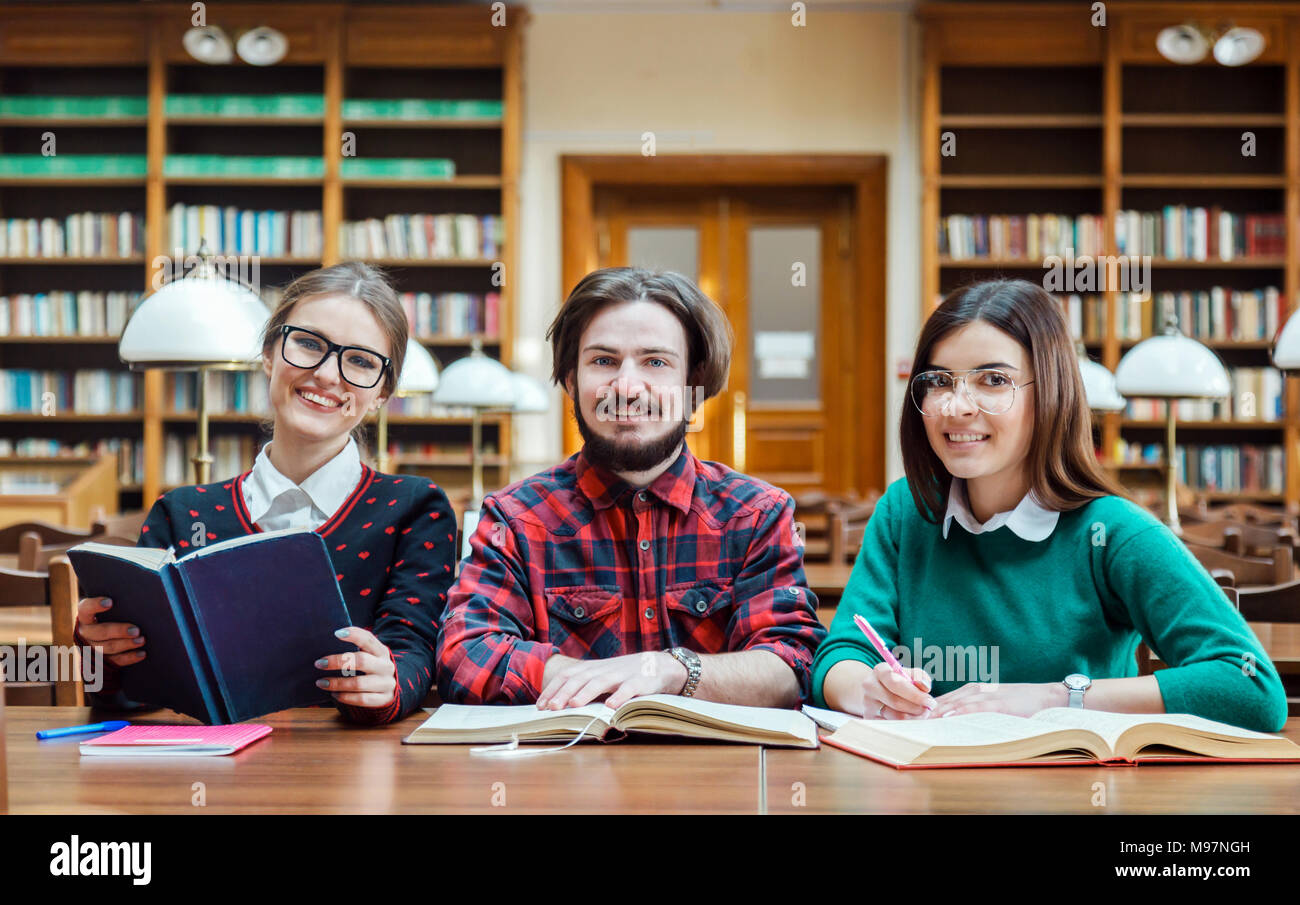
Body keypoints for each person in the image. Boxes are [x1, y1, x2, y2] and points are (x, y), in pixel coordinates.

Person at [813, 278, 1287, 732]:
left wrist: (1053, 698)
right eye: (939, 380)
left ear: (1052, 394)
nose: (956, 406)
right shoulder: (905, 510)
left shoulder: (1113, 533)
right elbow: (840, 654)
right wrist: (869, 690)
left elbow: (1250, 686)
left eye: (993, 380)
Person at [76, 263, 457, 724]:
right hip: (202, 773)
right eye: (309, 344)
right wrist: (106, 657)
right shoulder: (180, 514)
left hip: (347, 774)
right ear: (269, 353)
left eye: (359, 361)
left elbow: (414, 657)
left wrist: (389, 682)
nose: (327, 374)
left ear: (381, 392)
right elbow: (128, 703)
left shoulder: (415, 508)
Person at [437, 267, 826, 709]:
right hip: (561, 775)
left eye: (655, 362)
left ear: (693, 387)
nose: (625, 387)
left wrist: (672, 671)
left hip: (718, 777)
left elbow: (792, 667)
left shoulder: (756, 514)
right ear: (570, 380)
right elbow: (462, 656)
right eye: (603, 361)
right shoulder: (515, 517)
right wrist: (594, 678)